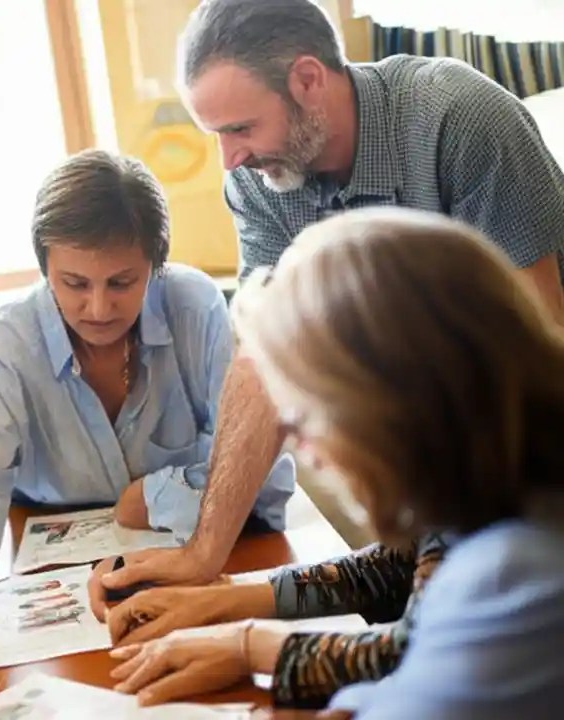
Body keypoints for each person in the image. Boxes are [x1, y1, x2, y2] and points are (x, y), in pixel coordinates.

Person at [93, 0, 564, 597]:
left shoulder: (460, 118)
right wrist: (202, 555)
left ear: (308, 80)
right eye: (217, 135)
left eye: (241, 128)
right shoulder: (256, 181)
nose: (230, 159)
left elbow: (538, 348)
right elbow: (261, 357)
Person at [105, 209, 564, 716]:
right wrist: (235, 608)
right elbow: (405, 573)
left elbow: (418, 667)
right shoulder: (507, 481)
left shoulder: (511, 574)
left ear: (388, 401)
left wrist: (253, 644)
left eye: (306, 416)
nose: (306, 450)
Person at [0, 150, 294, 653]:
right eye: (74, 283)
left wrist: (153, 496)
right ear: (45, 267)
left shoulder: (196, 307)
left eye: (122, 282)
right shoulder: (8, 340)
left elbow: (263, 473)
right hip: (56, 582)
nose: (99, 309)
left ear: (155, 265)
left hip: (199, 566)